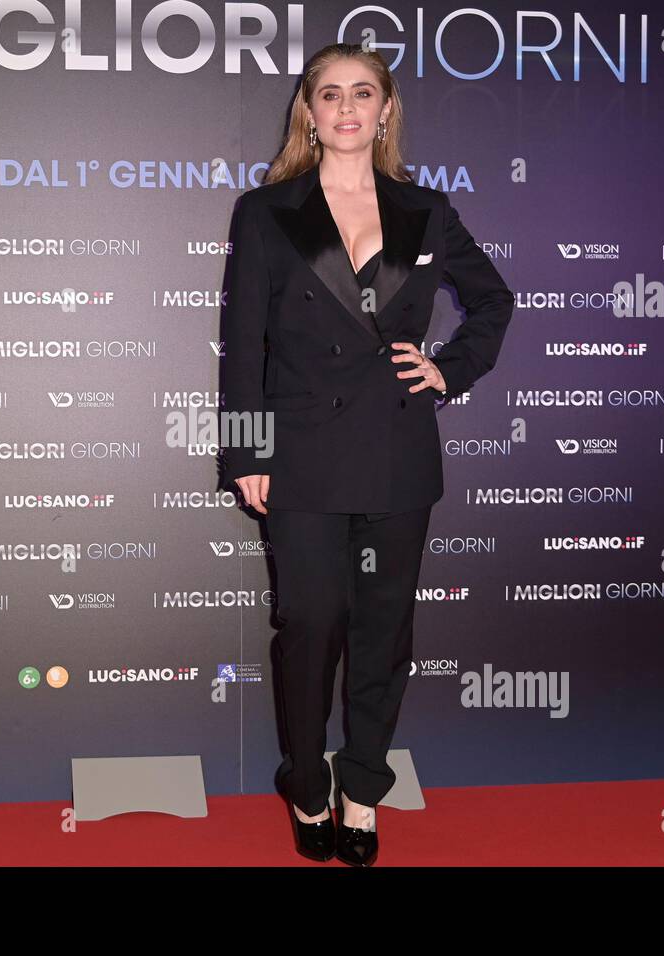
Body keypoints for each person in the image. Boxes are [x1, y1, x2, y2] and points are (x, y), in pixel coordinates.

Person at [218, 42, 514, 866]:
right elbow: (242, 346)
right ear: (308, 113)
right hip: (303, 455)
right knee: (309, 621)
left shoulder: (425, 209)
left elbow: (493, 300)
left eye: (363, 93)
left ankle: (361, 789)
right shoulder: (265, 211)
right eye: (329, 94)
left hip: (395, 454)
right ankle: (305, 779)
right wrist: (248, 453)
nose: (347, 108)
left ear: (385, 110)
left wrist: (447, 370)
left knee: (383, 633)